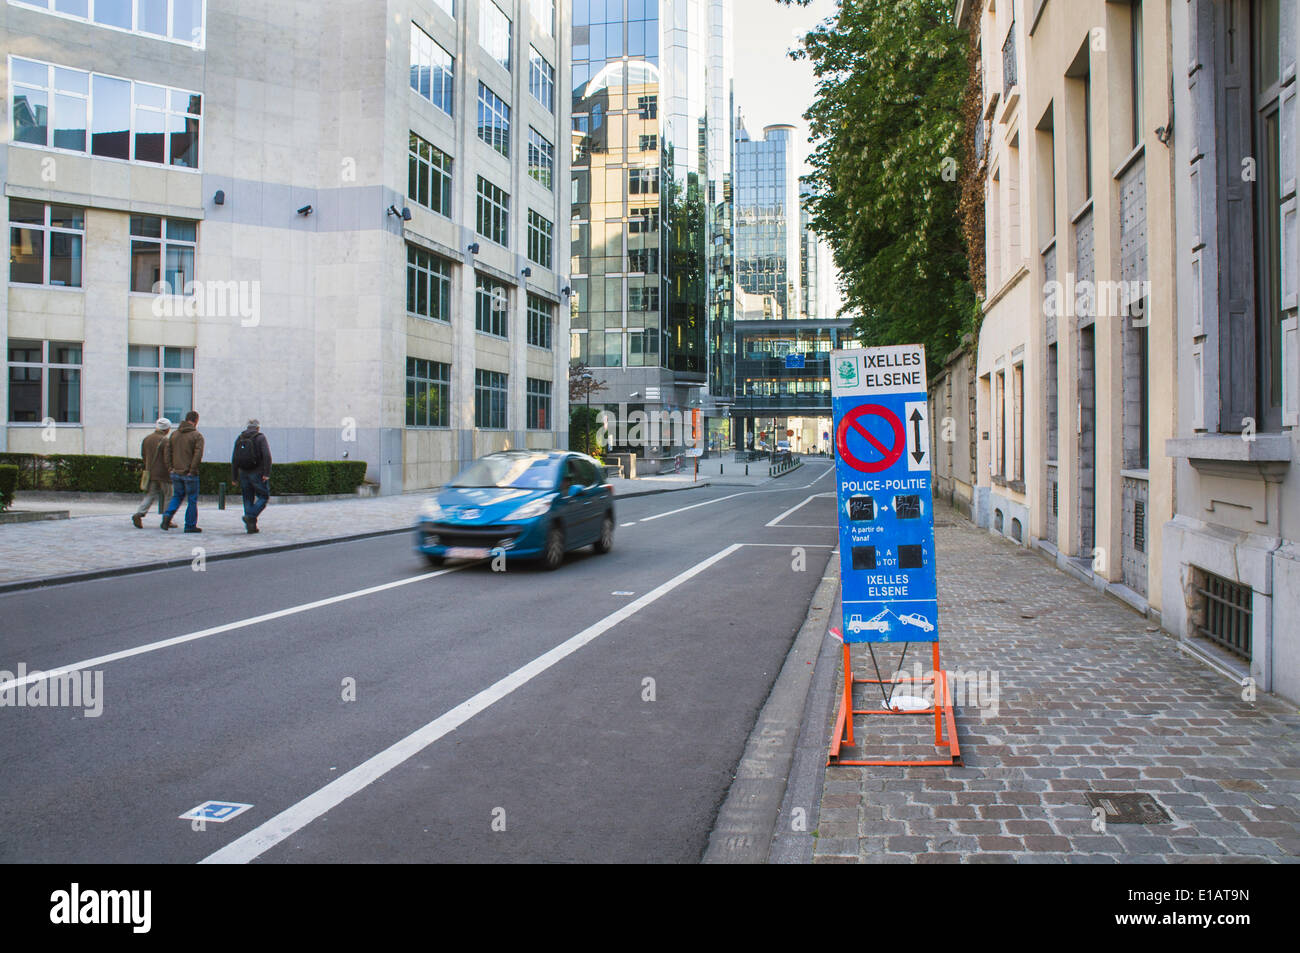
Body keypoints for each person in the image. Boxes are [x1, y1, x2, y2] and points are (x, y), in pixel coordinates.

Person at [161, 410, 204, 532]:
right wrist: (192, 469)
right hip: (189, 473)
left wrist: (170, 468)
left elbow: (167, 453)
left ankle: (167, 516)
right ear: (196, 421)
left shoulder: (174, 434)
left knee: (177, 496)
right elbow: (198, 454)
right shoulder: (197, 436)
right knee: (192, 499)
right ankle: (190, 525)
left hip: (176, 472)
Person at [231, 418, 271, 533]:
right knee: (264, 497)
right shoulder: (260, 437)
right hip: (257, 472)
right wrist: (266, 473)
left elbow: (234, 458)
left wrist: (234, 477)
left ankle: (251, 527)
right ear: (258, 427)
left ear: (247, 427)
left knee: (247, 498)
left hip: (243, 472)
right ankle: (251, 516)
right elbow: (267, 456)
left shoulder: (240, 438)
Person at [131, 418, 171, 529]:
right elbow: (167, 458)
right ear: (167, 429)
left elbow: (143, 455)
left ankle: (139, 513)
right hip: (164, 474)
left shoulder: (147, 439)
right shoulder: (165, 441)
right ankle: (167, 519)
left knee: (150, 494)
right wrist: (170, 469)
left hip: (150, 472)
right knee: (169, 496)